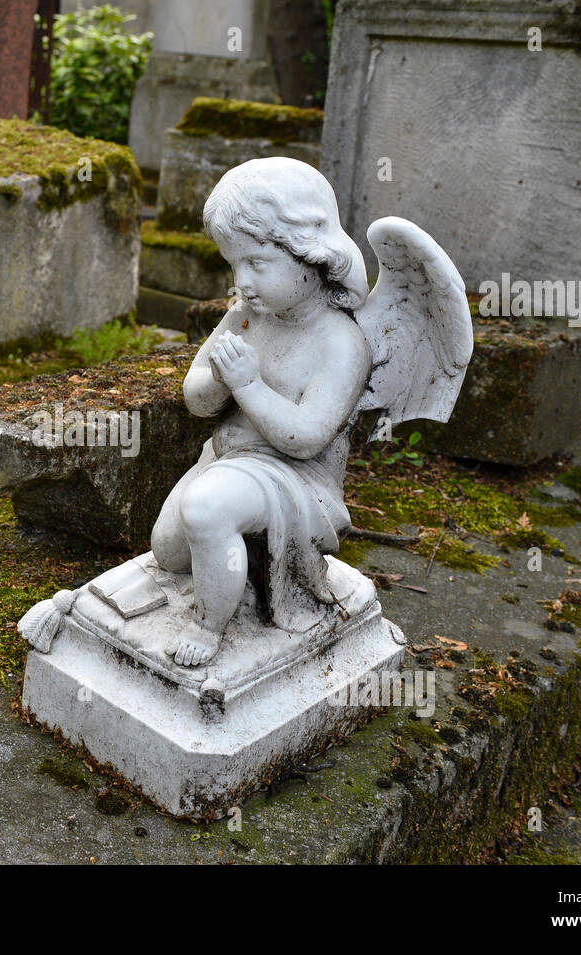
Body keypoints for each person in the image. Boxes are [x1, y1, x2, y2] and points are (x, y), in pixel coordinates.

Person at [150, 157, 373, 667]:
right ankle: (242, 569)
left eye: (257, 263)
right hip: (226, 459)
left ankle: (210, 625)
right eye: (234, 265)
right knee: (168, 550)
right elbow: (196, 399)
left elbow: (306, 437)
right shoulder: (246, 315)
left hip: (295, 480)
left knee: (206, 508)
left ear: (309, 253)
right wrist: (221, 381)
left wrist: (248, 385)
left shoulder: (340, 341)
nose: (242, 282)